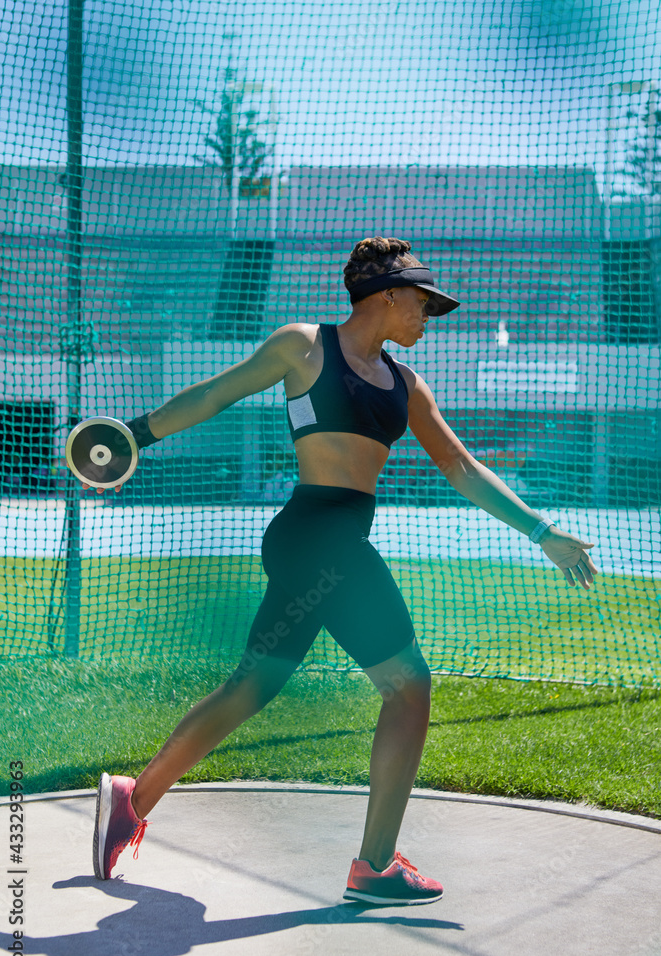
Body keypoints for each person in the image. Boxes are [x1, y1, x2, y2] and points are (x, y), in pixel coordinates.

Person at [87, 236, 599, 905]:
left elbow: (461, 467)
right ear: (386, 294)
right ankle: (375, 866)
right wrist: (127, 437)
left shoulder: (407, 385)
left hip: (323, 542)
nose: (428, 318)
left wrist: (541, 531)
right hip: (316, 534)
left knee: (250, 688)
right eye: (422, 303)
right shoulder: (303, 345)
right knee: (409, 686)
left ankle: (132, 799)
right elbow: (215, 394)